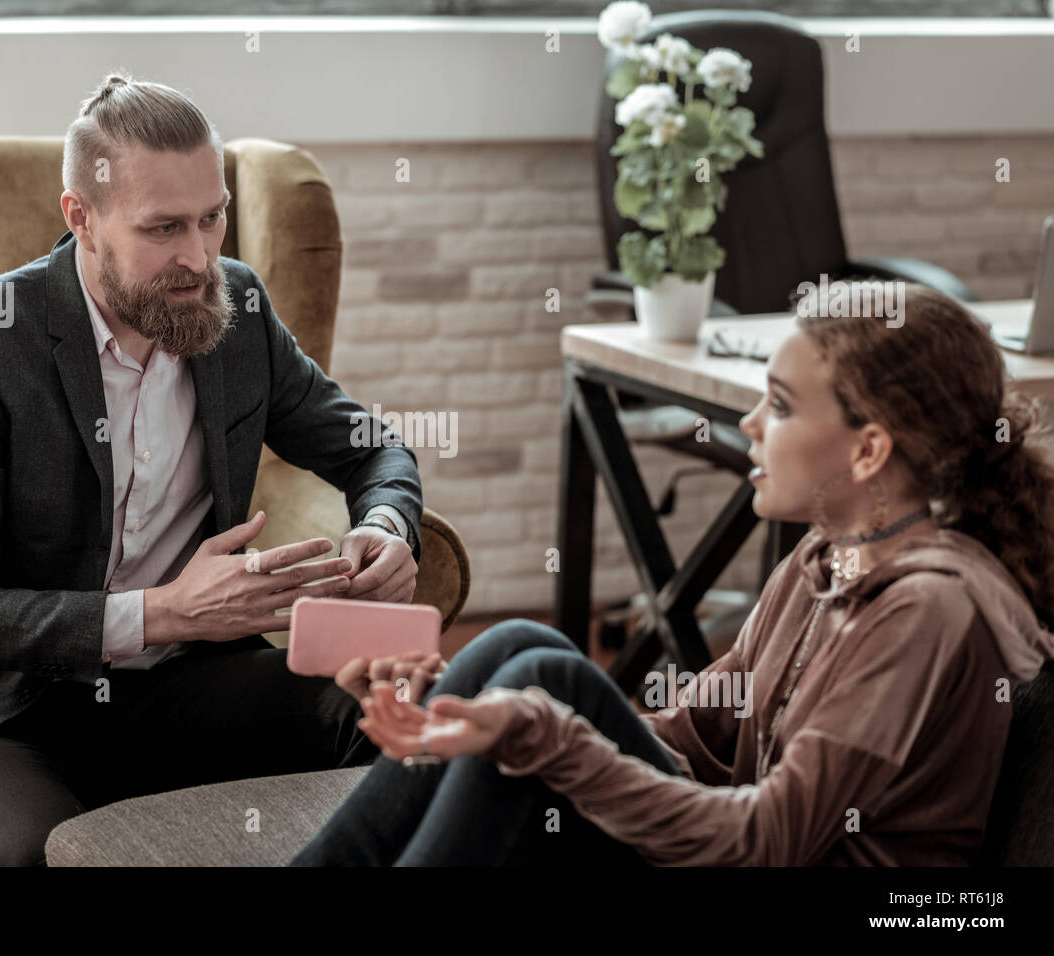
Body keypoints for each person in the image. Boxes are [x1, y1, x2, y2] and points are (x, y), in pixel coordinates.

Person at [0, 71, 422, 865]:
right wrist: (162, 612)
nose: (198, 258)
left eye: (212, 218)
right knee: (35, 858)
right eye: (163, 229)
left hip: (181, 689)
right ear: (80, 219)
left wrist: (387, 525)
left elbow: (372, 446)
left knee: (397, 716)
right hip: (2, 712)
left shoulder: (238, 312)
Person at [290, 283, 1054, 866]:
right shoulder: (824, 554)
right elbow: (695, 737)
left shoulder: (925, 612)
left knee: (540, 707)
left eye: (780, 407)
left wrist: (546, 737)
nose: (750, 424)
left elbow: (768, 841)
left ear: (869, 452)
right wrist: (474, 707)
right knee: (523, 658)